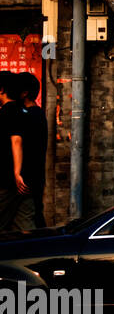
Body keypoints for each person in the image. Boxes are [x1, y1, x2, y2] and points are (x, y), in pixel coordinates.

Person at [16, 72, 46, 229]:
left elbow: (23, 145)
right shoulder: (38, 113)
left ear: (24, 93)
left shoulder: (30, 115)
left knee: (31, 217)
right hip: (35, 175)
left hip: (28, 176)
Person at [0, 71, 23, 233]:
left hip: (6, 179)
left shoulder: (9, 111)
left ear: (2, 90)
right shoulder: (20, 110)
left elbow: (16, 140)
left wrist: (17, 172)